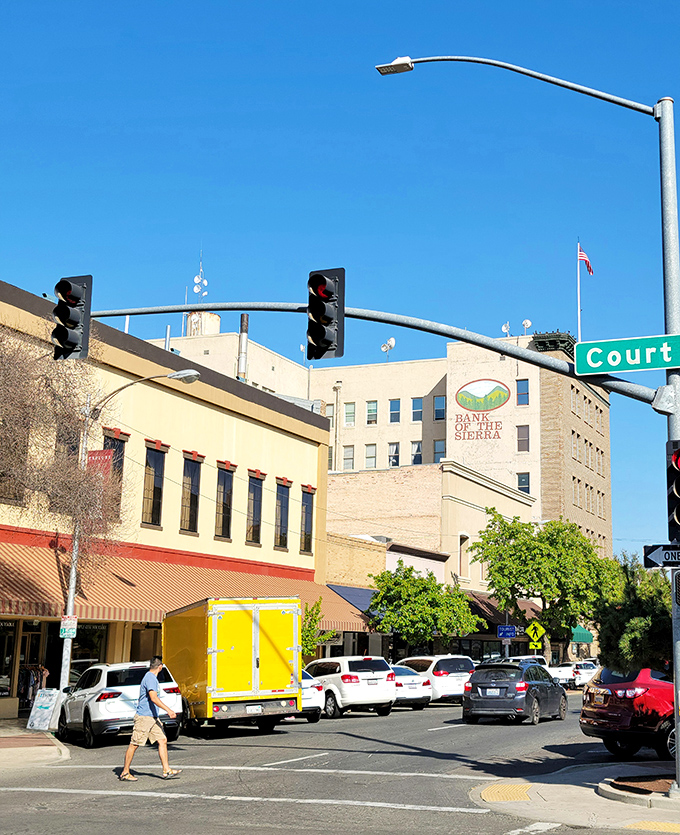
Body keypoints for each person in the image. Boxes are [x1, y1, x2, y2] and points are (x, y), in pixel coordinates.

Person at [119, 656, 181, 782]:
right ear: (160, 667)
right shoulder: (151, 678)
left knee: (162, 740)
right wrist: (168, 710)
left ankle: (166, 770)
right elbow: (153, 697)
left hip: (152, 717)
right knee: (135, 744)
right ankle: (125, 772)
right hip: (144, 717)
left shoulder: (150, 677)